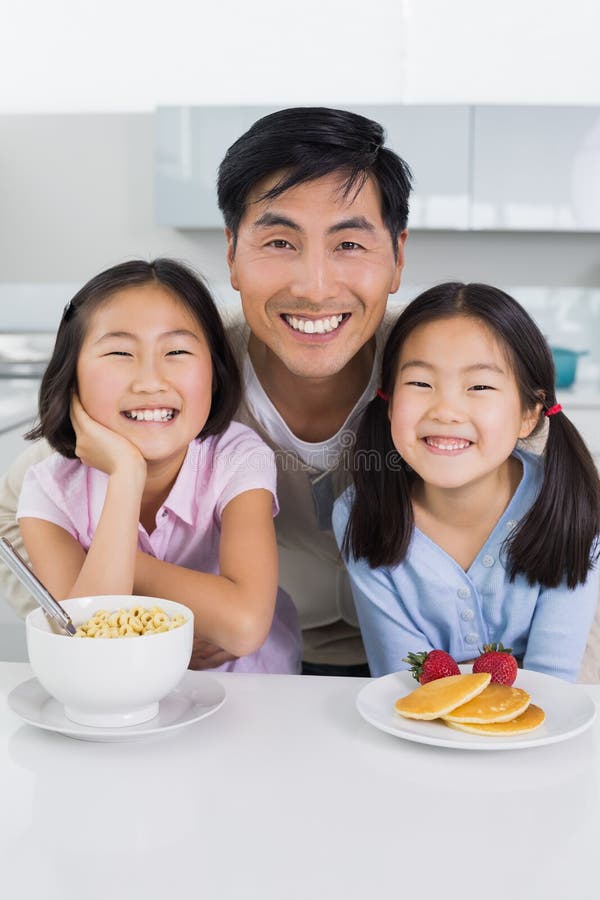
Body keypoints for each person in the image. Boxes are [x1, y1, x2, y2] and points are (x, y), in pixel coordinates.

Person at [0, 106, 413, 675]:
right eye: (279, 242)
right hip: (258, 677)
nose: (315, 288)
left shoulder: (445, 361)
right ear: (232, 254)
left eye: (348, 245)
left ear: (397, 257)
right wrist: (143, 623)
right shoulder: (189, 365)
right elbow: (19, 500)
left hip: (426, 662)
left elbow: (570, 521)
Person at [14, 258, 301, 674]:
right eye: (119, 352)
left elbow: (243, 627)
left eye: (177, 351)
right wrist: (125, 474)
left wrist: (111, 562)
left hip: (254, 695)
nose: (150, 380)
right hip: (120, 701)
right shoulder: (49, 490)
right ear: (71, 377)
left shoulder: (239, 457)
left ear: (215, 374)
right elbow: (88, 650)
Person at [332, 282, 600, 682]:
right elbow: (404, 683)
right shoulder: (360, 512)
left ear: (530, 412)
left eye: (479, 387)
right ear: (388, 400)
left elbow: (552, 685)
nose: (446, 410)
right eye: (421, 383)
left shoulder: (571, 504)